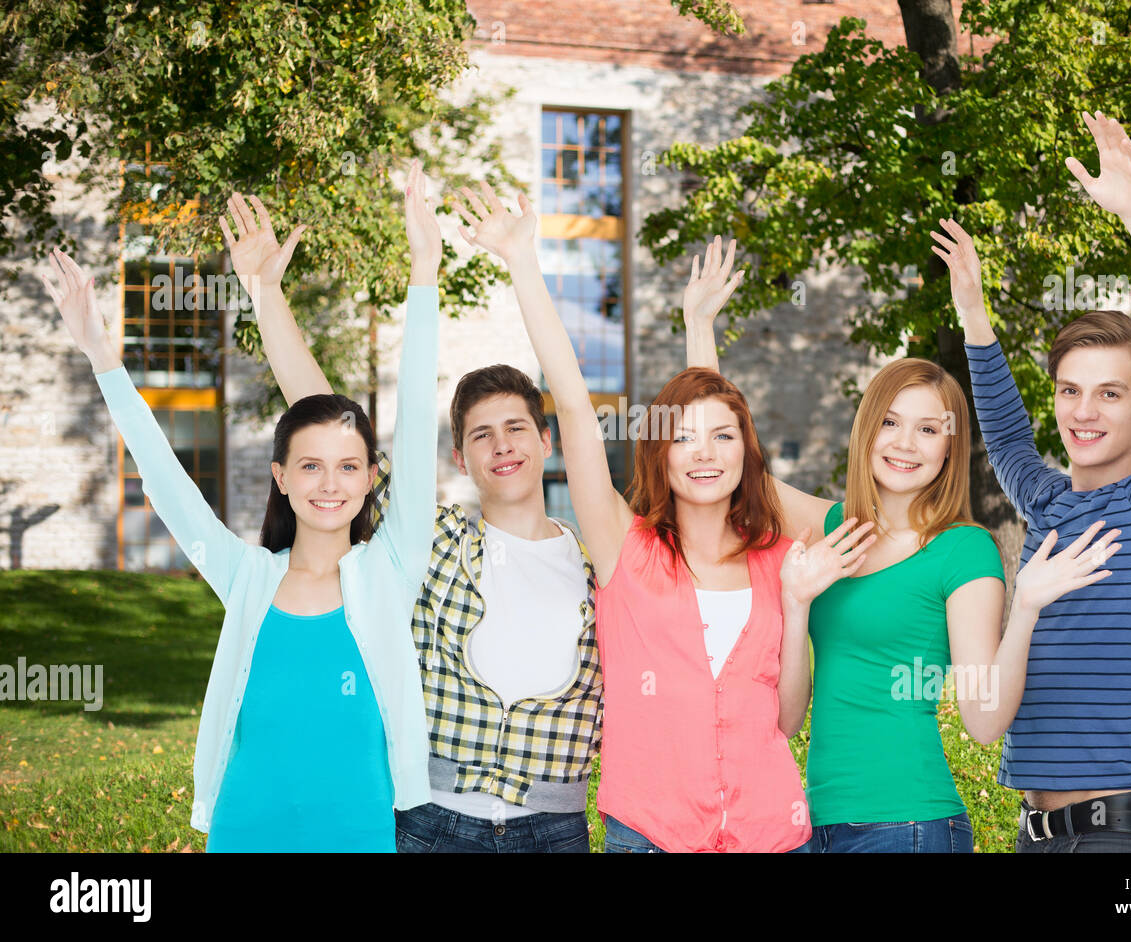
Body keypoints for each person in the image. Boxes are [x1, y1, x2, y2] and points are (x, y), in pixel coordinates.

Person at [449, 184, 876, 853]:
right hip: (650, 837)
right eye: (683, 439)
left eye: (725, 440)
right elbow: (576, 406)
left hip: (773, 836)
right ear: (660, 453)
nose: (704, 454)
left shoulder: (777, 562)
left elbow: (787, 721)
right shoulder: (627, 550)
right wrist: (523, 264)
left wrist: (797, 607)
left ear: (748, 454)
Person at [38, 161, 441, 851]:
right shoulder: (250, 578)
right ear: (280, 477)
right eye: (310, 465)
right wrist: (100, 350)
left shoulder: (391, 569)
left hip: (360, 833)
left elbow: (421, 407)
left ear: (372, 477)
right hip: (244, 829)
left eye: (348, 467)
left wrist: (425, 272)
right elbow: (168, 486)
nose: (330, 483)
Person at [685, 238, 1120, 853]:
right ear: (867, 430)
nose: (905, 443)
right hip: (816, 823)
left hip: (910, 825)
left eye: (928, 429)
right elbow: (734, 473)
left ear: (949, 448)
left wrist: (1025, 609)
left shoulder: (962, 551)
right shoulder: (833, 527)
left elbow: (984, 721)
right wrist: (700, 327)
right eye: (890, 421)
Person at [233, 176, 600, 853]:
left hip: (555, 829)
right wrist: (266, 294)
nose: (502, 446)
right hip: (435, 824)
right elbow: (328, 424)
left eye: (516, 428)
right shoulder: (430, 540)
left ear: (545, 443)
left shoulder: (595, 558)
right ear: (460, 457)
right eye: (481, 435)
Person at [931, 110, 1131, 852]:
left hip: (1125, 834)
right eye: (1069, 390)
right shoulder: (1049, 502)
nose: (1083, 412)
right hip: (1037, 835)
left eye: (1110, 392)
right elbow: (1001, 430)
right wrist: (973, 313)